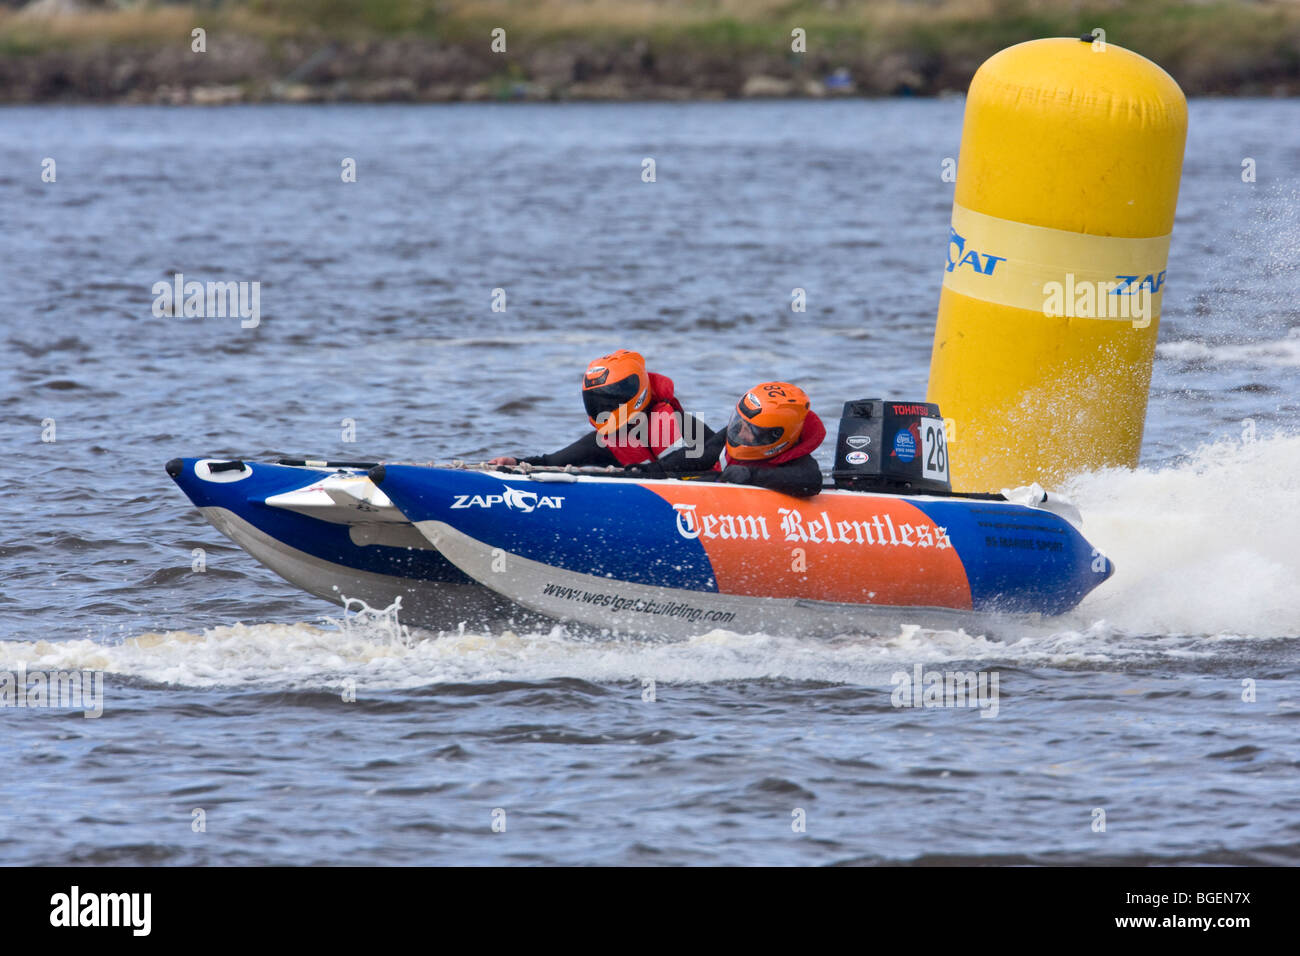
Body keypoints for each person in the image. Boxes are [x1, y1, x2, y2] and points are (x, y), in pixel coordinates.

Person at [488, 349, 715, 474]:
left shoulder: (683, 426)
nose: (604, 409)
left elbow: (722, 459)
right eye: (597, 402)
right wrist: (515, 462)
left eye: (610, 400)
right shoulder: (605, 441)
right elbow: (551, 461)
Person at [702, 381, 826, 497]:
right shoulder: (737, 431)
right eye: (739, 421)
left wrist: (750, 475)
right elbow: (704, 452)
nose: (741, 433)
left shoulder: (796, 461)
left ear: (774, 436)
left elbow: (812, 480)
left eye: (752, 429)